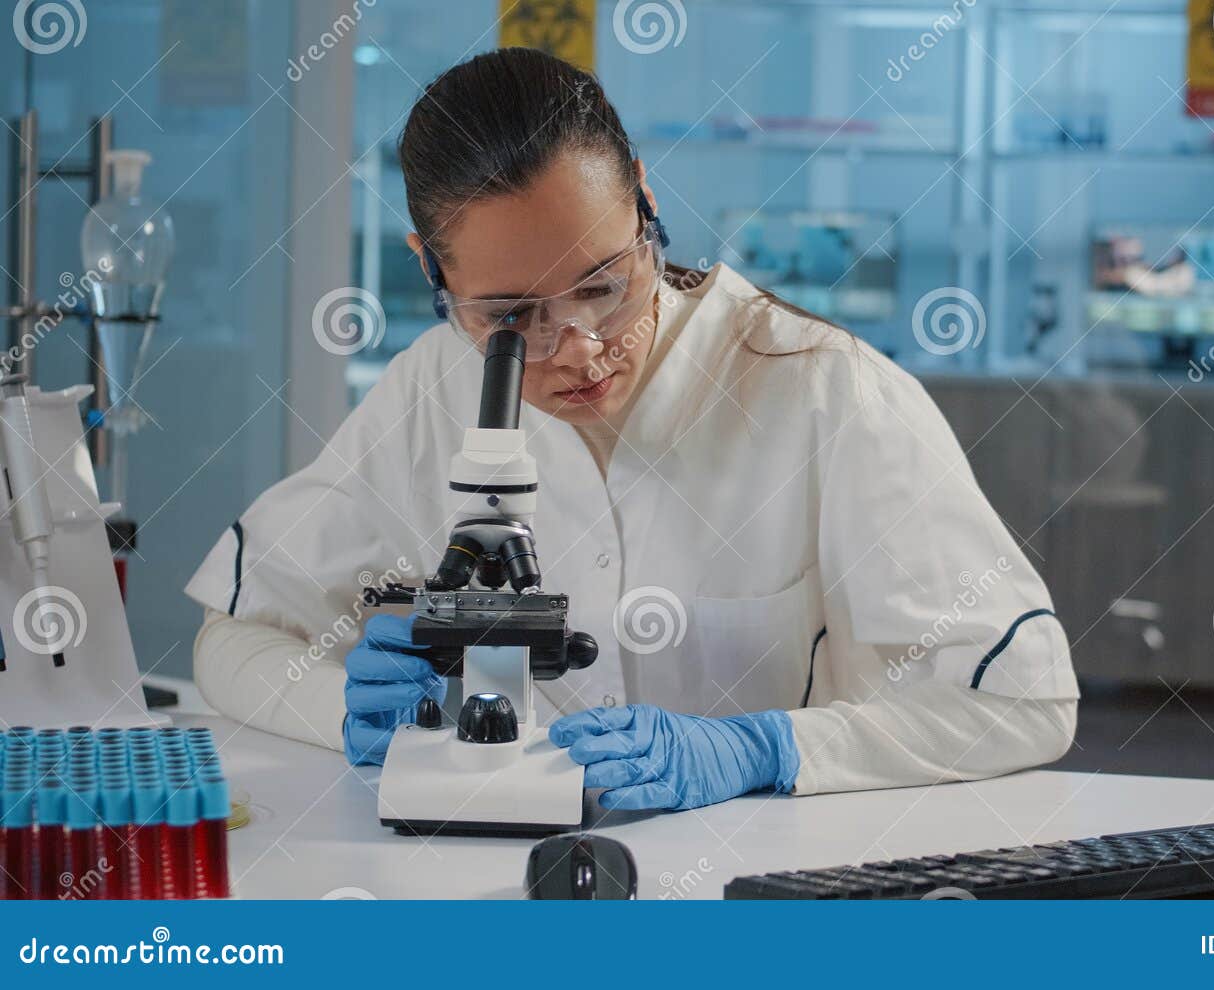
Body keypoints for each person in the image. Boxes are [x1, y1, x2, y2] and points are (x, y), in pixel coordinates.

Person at [185, 47, 1078, 811]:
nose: (579, 349)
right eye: (512, 316)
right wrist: (342, 706)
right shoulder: (429, 387)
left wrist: (769, 751)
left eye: (606, 285)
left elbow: (1027, 702)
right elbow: (233, 636)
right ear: (431, 271)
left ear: (646, 201)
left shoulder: (823, 390)